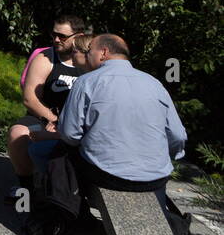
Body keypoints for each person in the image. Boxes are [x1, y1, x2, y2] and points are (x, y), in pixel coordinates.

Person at [58, 34, 187, 191]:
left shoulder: (87, 82)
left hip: (107, 176)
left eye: (90, 50)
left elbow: (70, 134)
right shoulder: (154, 83)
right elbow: (178, 135)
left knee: (58, 153)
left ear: (103, 53)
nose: (87, 55)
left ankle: (69, 209)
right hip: (156, 178)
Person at [4, 15, 91, 201]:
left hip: (79, 122)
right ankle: (26, 188)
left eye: (62, 36)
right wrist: (54, 120)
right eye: (54, 34)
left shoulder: (89, 61)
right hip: (45, 117)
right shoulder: (46, 58)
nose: (56, 39)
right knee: (17, 134)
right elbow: (30, 99)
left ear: (79, 36)